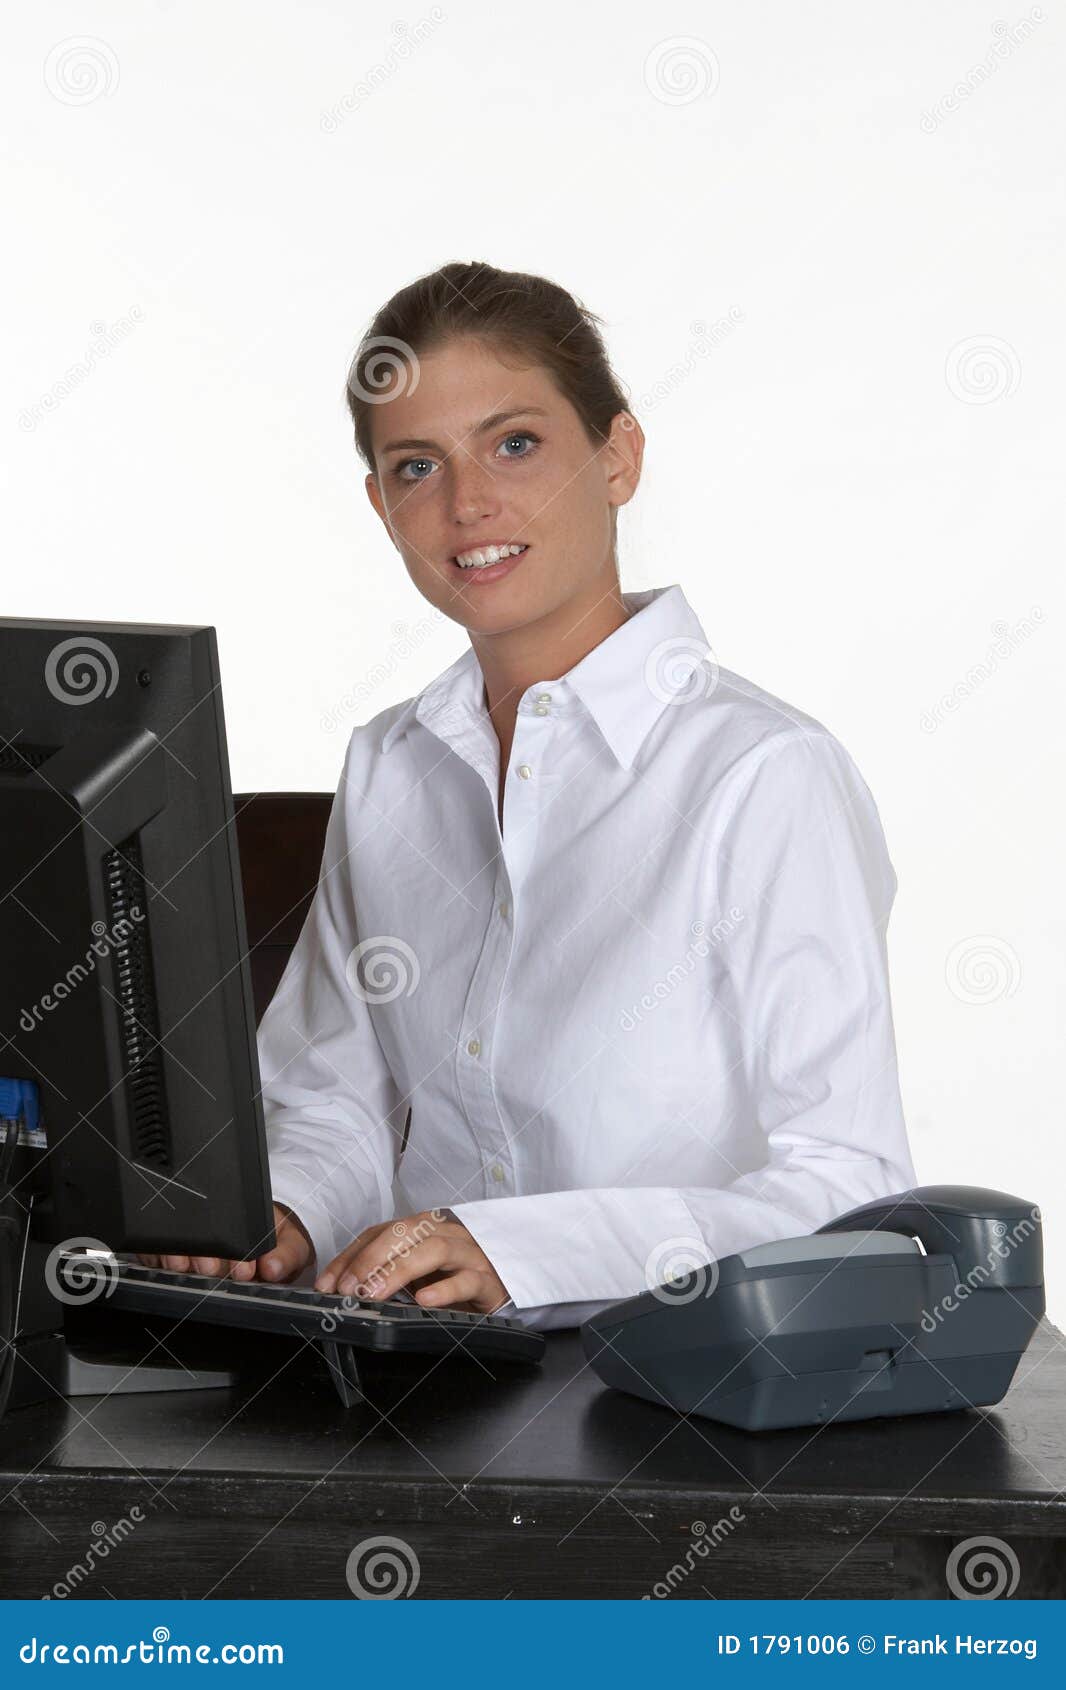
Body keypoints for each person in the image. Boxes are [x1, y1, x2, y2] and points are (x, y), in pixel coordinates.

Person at [142, 260, 916, 1328]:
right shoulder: (392, 767)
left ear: (617, 456)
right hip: (412, 1385)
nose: (469, 503)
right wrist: (287, 1211)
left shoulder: (762, 776)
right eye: (418, 465)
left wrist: (521, 1250)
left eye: (515, 443)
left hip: (666, 1399)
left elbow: (848, 1191)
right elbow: (332, 1098)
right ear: (381, 506)